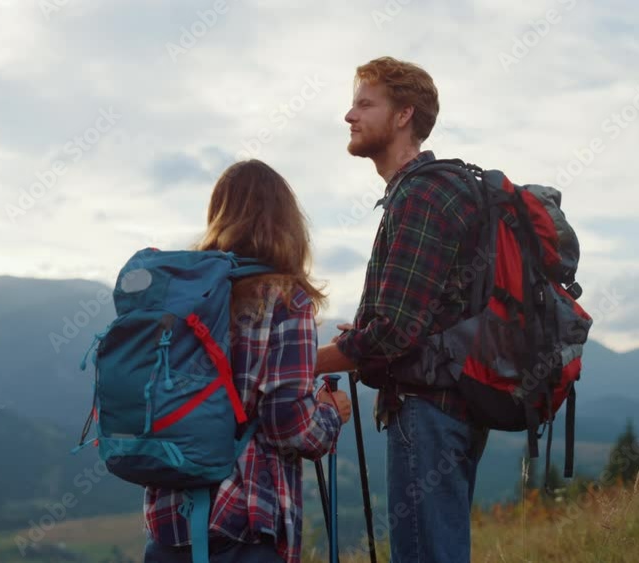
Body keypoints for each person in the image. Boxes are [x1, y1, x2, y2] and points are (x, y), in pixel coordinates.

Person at [315, 56, 489, 562]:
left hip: (426, 410)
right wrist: (363, 336)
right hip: (450, 407)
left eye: (365, 104)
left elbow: (393, 333)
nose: (350, 116)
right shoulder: (431, 192)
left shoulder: (420, 196)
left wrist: (308, 361)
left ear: (402, 116)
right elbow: (418, 318)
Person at [144, 159, 352, 563]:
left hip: (169, 519)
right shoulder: (285, 299)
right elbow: (287, 423)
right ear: (287, 223)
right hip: (242, 521)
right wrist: (329, 415)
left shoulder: (180, 297)